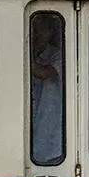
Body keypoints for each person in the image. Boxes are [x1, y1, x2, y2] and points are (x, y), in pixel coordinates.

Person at [30, 14, 64, 162]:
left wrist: (21, 56)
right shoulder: (34, 55)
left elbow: (44, 73)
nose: (35, 34)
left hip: (51, 128)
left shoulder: (58, 55)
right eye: (33, 30)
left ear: (50, 32)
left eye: (39, 30)